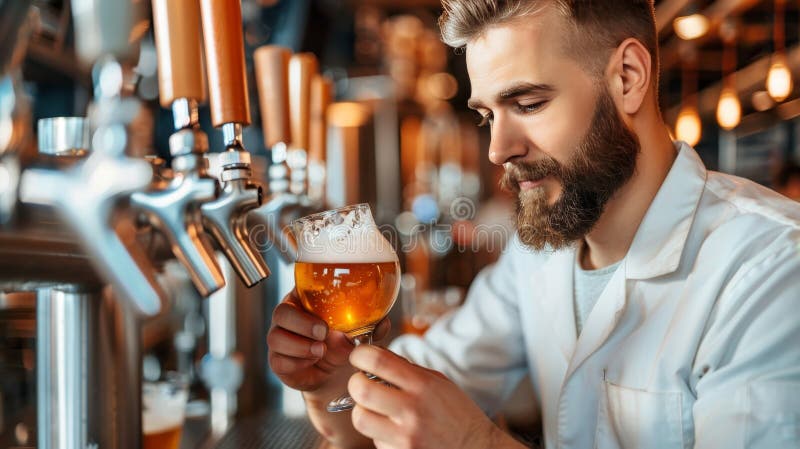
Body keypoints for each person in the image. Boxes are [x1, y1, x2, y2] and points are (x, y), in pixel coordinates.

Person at [267, 1, 800, 448]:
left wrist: (476, 444)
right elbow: (379, 418)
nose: (499, 149)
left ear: (628, 77)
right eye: (488, 116)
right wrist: (328, 381)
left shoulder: (770, 269)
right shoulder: (539, 254)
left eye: (528, 102)